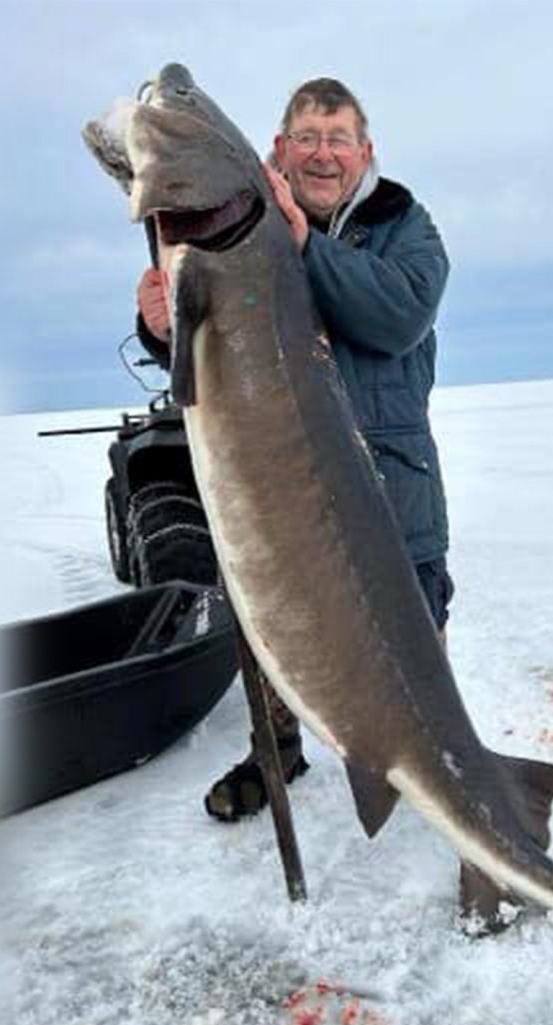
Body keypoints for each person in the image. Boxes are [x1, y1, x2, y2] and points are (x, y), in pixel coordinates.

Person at [134, 77, 453, 822]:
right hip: (282, 495)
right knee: (279, 636)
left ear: (364, 152)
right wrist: (163, 328)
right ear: (278, 150)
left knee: (416, 673)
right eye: (305, 138)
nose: (321, 154)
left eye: (338, 138)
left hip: (391, 494)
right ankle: (275, 755)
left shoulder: (406, 226)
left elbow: (398, 316)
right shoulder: (243, 236)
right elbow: (218, 360)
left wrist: (305, 246)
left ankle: (447, 785)